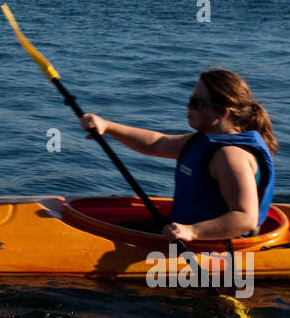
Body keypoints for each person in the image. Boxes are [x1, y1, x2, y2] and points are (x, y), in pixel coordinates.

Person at [79, 68, 277, 243]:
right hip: (181, 232)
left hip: (213, 244)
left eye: (196, 102)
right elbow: (156, 144)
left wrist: (192, 231)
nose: (188, 106)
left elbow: (245, 218)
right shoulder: (203, 140)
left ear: (223, 112)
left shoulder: (231, 157)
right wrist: (107, 126)